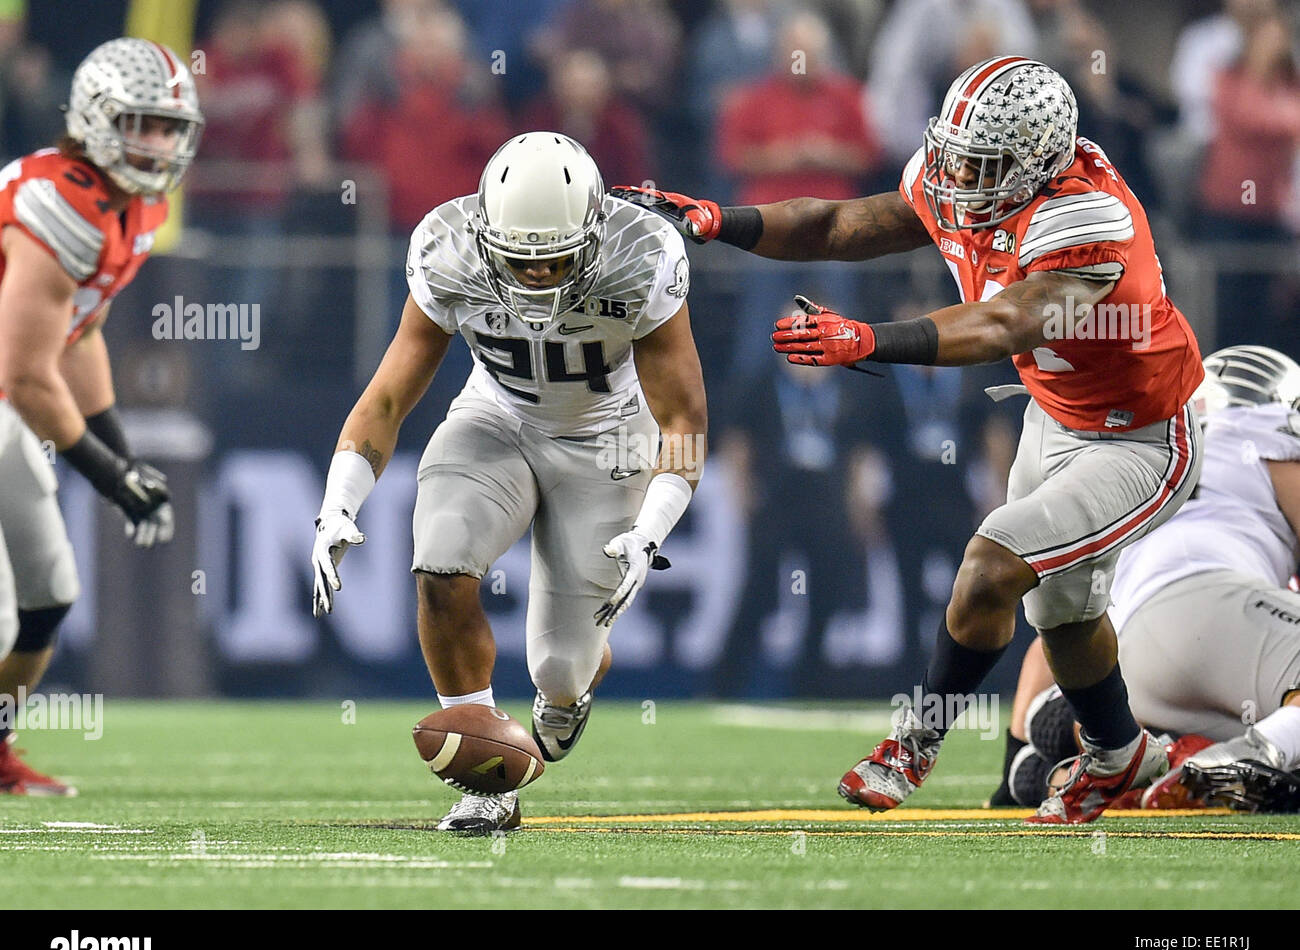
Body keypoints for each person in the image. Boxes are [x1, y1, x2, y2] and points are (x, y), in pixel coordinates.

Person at [616, 55, 1204, 824]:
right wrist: (721, 222)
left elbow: (1004, 322)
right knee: (1061, 613)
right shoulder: (959, 176)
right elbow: (838, 224)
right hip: (1055, 414)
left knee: (992, 567)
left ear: (1038, 163)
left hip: (1141, 436)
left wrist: (868, 339)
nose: (958, 176)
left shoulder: (1087, 219)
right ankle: (1122, 755)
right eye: (954, 153)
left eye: (982, 163)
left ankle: (916, 741)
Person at [311, 132, 707, 834]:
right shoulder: (448, 246)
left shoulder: (641, 254)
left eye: (554, 257)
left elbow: (681, 416)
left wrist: (654, 525)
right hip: (497, 417)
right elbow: (387, 399)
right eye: (520, 259)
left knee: (559, 668)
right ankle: (486, 782)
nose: (537, 276)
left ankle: (572, 688)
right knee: (440, 560)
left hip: (608, 438)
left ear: (591, 233)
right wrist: (338, 500)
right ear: (488, 235)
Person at [0, 38, 202, 794]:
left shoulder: (132, 206)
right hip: (6, 396)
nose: (156, 144)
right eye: (139, 124)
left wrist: (122, 452)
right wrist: (111, 478)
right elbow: (25, 375)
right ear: (92, 117)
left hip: (7, 408)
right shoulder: (59, 206)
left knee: (46, 597)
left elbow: (79, 335)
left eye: (167, 127)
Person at [995, 346, 1300, 814]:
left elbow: (1052, 635)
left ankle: (1134, 765)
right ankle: (1243, 757)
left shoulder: (1154, 450)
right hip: (1214, 607)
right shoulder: (1261, 431)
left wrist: (1014, 769)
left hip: (1129, 660)